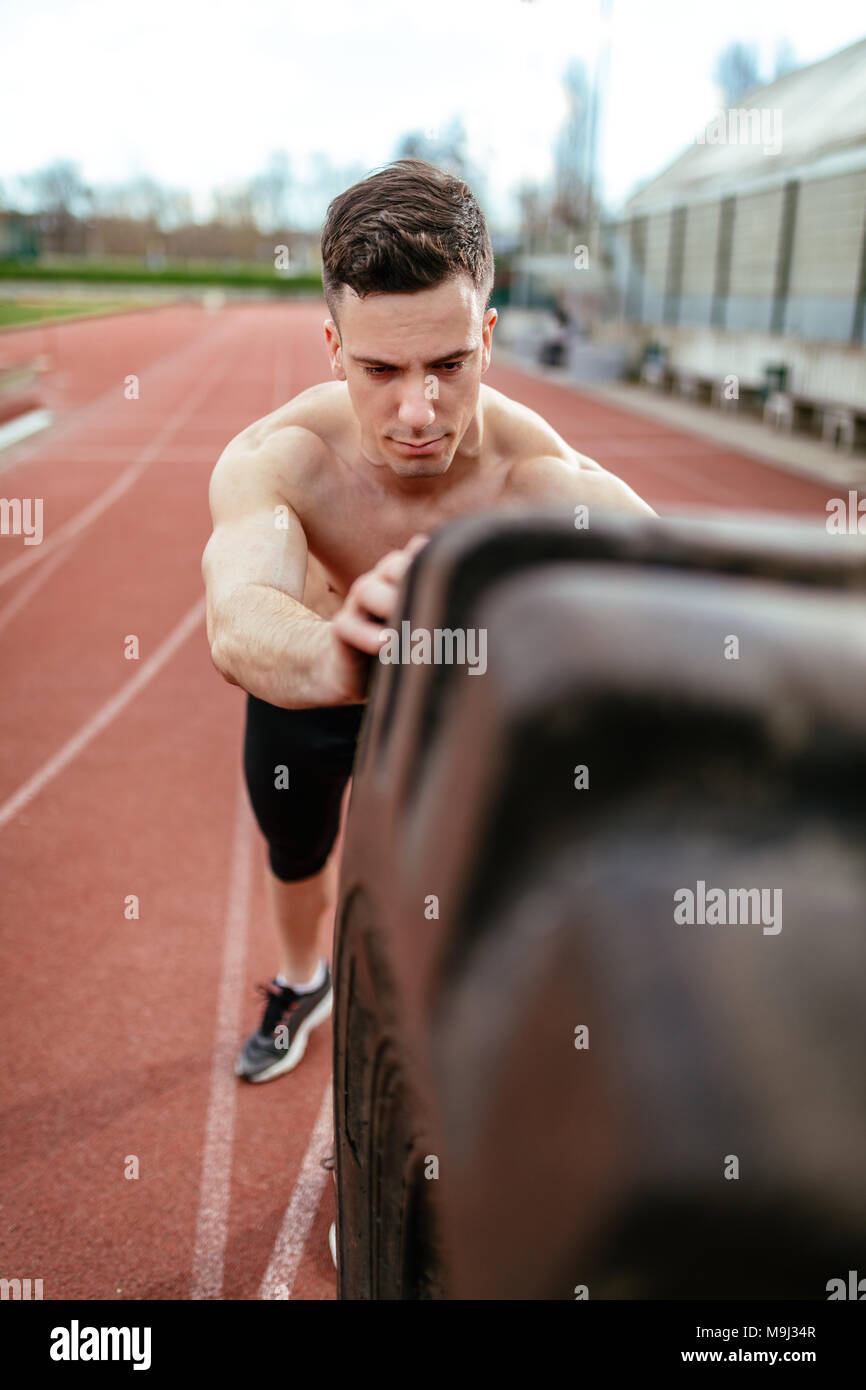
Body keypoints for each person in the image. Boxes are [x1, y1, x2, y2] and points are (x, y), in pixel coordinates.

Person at [201, 158, 656, 1088]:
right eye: (379, 370)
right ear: (332, 347)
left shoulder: (544, 479)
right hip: (310, 685)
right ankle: (302, 980)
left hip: (461, 698)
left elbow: (694, 601)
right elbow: (239, 615)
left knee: (469, 885)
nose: (418, 412)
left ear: (488, 335)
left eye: (450, 366)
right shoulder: (281, 460)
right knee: (297, 850)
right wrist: (338, 652)